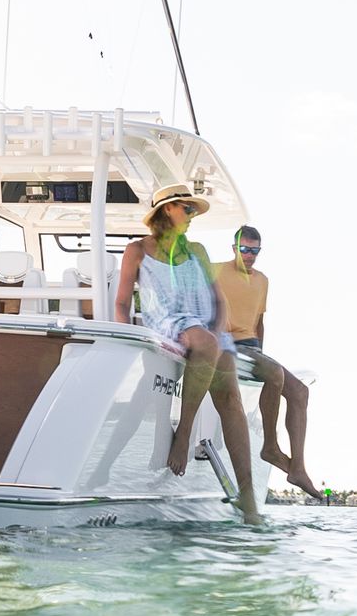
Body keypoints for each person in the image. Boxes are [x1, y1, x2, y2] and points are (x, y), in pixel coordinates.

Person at [112, 183, 262, 520]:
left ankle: (248, 496)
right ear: (168, 209)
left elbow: (218, 301)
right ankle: (184, 435)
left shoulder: (197, 251)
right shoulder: (137, 250)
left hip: (204, 327)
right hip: (166, 322)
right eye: (188, 209)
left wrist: (219, 329)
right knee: (208, 344)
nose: (192, 216)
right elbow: (122, 303)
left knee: (230, 393)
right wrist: (129, 343)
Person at [210, 224, 320, 499]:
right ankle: (270, 446)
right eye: (244, 249)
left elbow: (259, 321)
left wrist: (261, 353)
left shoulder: (262, 280)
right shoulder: (214, 271)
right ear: (234, 248)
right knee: (273, 373)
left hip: (251, 349)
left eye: (254, 251)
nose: (249, 256)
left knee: (300, 391)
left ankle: (299, 467)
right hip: (225, 345)